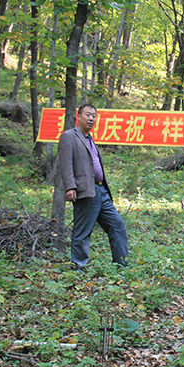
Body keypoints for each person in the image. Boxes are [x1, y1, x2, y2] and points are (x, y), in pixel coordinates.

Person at [58, 104, 129, 270]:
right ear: (79, 116)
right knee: (82, 232)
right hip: (85, 191)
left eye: (94, 116)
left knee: (117, 225)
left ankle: (122, 265)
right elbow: (66, 164)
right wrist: (70, 187)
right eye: (88, 115)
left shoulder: (89, 139)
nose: (91, 118)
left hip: (101, 191)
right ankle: (78, 268)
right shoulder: (69, 136)